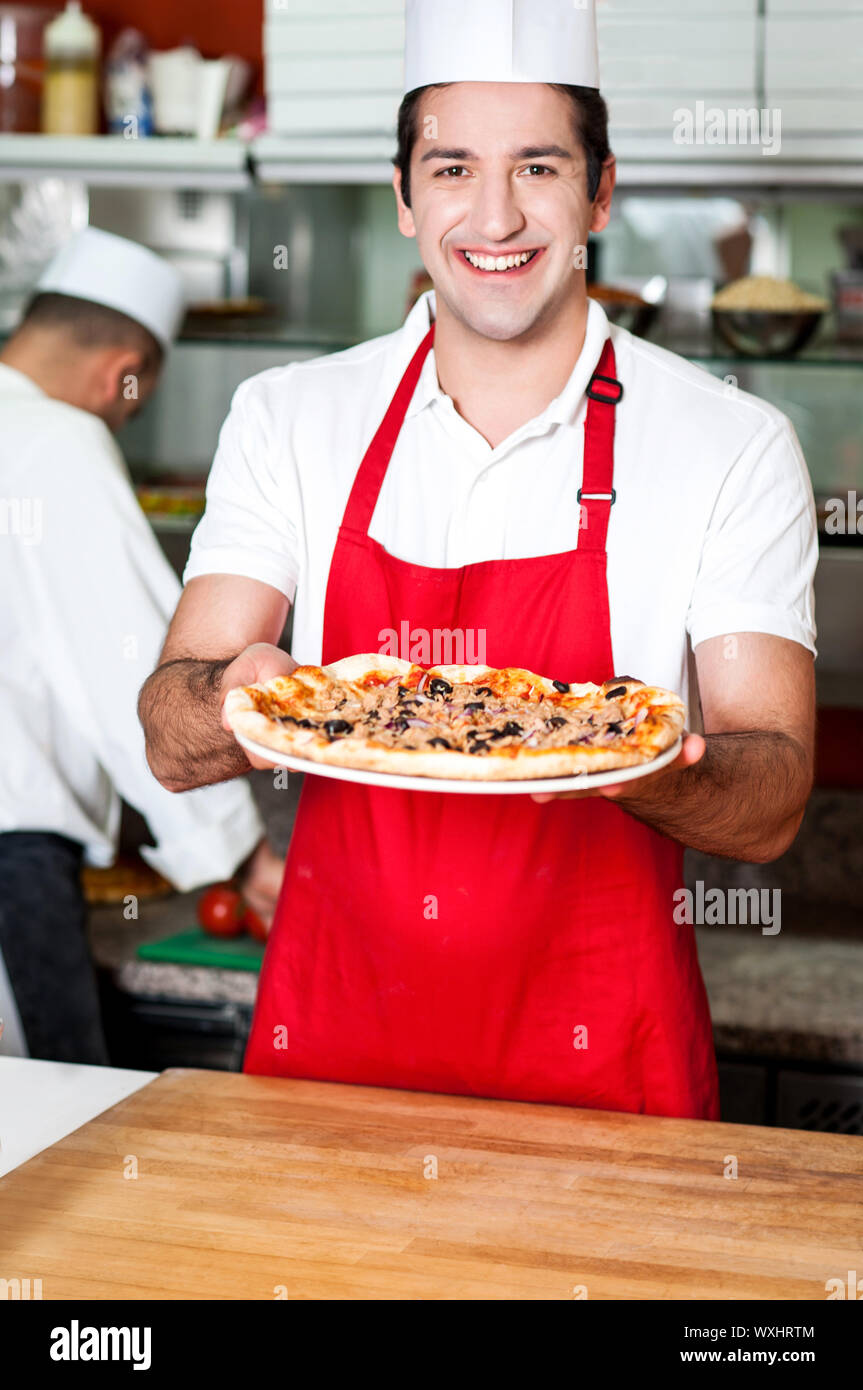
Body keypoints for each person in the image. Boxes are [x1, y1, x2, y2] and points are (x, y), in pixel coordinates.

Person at [139, 0, 817, 1120]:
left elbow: (774, 795)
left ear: (601, 188)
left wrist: (640, 759)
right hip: (333, 1065)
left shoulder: (726, 440)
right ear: (405, 195)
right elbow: (171, 734)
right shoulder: (291, 417)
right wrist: (239, 702)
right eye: (452, 166)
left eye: (538, 165)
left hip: (608, 1082)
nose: (493, 213)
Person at [0, 227, 283, 1065]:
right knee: (53, 1160)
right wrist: (240, 855)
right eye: (132, 403)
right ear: (119, 367)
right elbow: (129, 668)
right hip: (10, 866)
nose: (121, 421)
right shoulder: (55, 440)